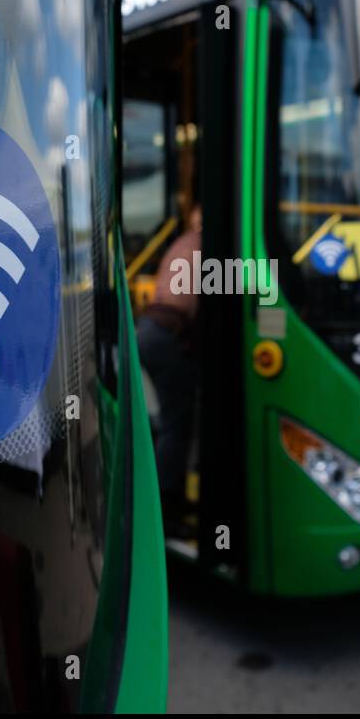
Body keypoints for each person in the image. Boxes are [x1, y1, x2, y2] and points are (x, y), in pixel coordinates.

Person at [136, 204, 202, 522]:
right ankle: (164, 506)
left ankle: (168, 497)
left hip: (151, 331)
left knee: (173, 418)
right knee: (177, 423)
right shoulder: (205, 245)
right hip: (164, 335)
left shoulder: (184, 242)